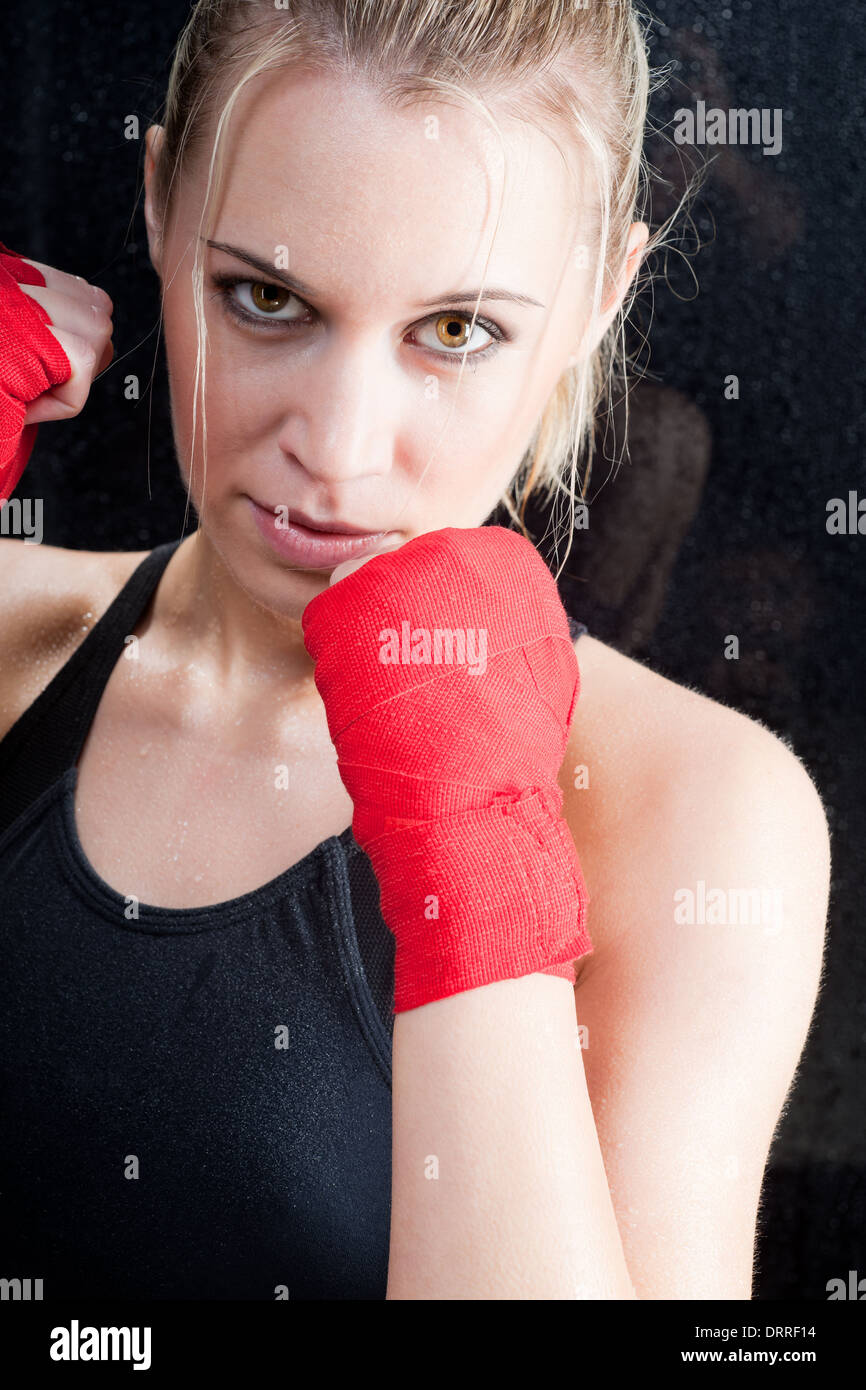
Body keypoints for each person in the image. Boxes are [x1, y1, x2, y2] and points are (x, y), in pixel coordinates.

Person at [0, 0, 829, 1301]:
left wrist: (477, 855)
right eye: (265, 296)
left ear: (598, 296)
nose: (334, 444)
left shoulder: (695, 810)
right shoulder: (15, 637)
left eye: (455, 331)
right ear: (160, 205)